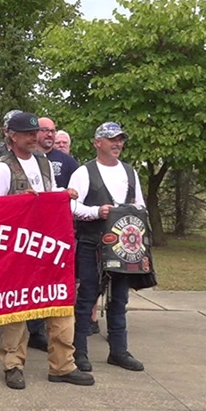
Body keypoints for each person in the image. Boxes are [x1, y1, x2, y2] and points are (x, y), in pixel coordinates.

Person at [0, 112, 94, 389]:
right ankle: (13, 365)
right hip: (16, 252)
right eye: (29, 134)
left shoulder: (45, 163)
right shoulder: (2, 168)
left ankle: (62, 365)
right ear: (13, 136)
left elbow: (49, 199)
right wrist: (16, 204)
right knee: (17, 310)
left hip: (47, 249)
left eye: (37, 133)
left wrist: (60, 197)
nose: (34, 138)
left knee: (59, 304)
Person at [69, 122, 147, 373]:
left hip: (123, 247)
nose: (118, 143)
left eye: (121, 139)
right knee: (87, 297)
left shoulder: (130, 171)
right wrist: (95, 211)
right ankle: (78, 351)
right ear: (97, 143)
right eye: (112, 139)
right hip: (92, 243)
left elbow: (141, 205)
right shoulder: (83, 172)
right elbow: (70, 206)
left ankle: (119, 350)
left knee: (120, 299)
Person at [36, 117, 79, 189]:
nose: (50, 134)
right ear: (35, 132)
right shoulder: (26, 158)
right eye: (45, 130)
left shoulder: (69, 162)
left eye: (52, 131)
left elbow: (77, 191)